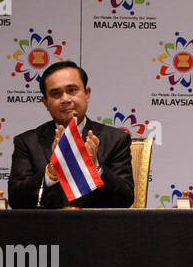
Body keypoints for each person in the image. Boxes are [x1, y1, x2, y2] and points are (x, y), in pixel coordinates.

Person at [8, 61, 134, 209]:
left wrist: (96, 168)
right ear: (45, 102)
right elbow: (16, 200)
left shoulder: (116, 139)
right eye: (56, 94)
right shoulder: (27, 142)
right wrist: (52, 171)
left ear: (87, 94)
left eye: (72, 90)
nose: (65, 99)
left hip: (97, 228)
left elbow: (125, 200)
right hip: (47, 228)